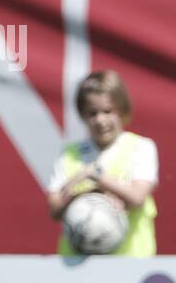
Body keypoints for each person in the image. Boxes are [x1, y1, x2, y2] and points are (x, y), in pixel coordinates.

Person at [47, 70, 158, 256]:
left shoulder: (141, 147)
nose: (100, 120)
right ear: (83, 115)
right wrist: (89, 195)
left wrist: (95, 174)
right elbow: (54, 208)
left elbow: (137, 197)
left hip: (130, 262)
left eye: (108, 111)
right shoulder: (70, 154)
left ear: (122, 110)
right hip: (77, 266)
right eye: (92, 113)